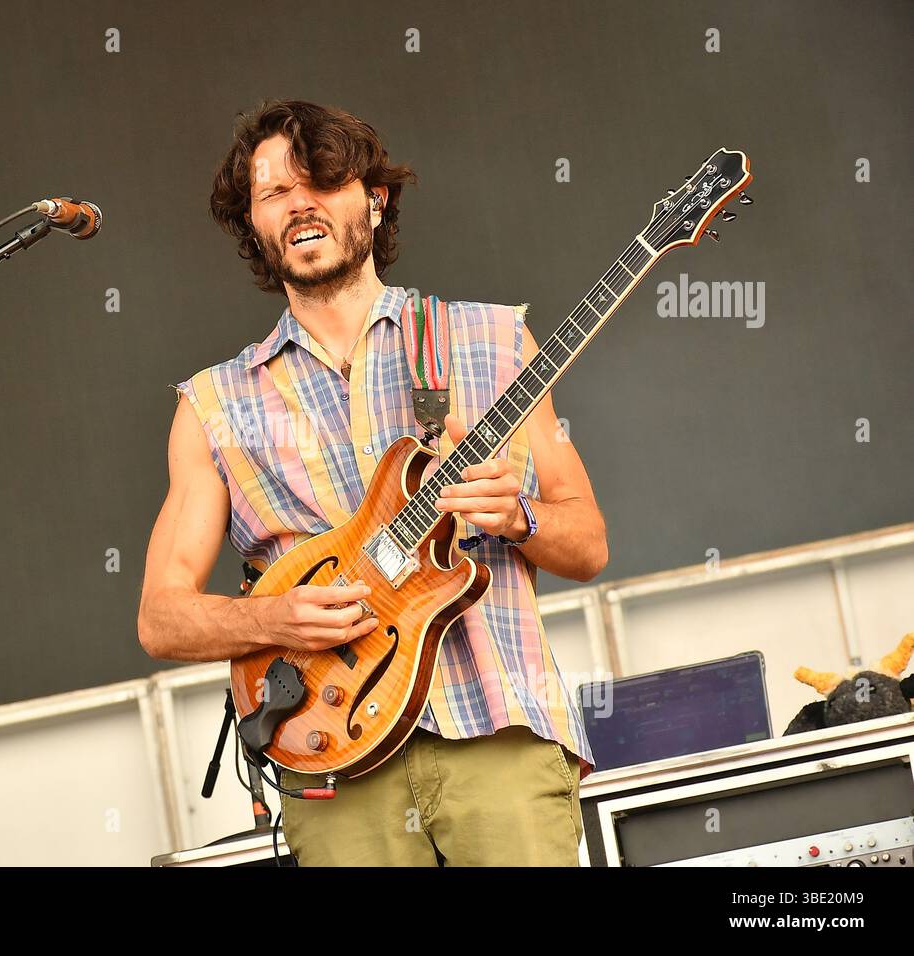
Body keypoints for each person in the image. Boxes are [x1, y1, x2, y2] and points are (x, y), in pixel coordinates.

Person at [138, 100, 608, 866]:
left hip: (495, 729)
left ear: (374, 197)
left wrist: (520, 517)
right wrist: (276, 620)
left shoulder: (490, 339)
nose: (298, 204)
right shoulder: (213, 406)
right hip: (334, 764)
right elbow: (161, 618)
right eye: (272, 194)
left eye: (320, 180)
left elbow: (588, 544)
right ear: (253, 227)